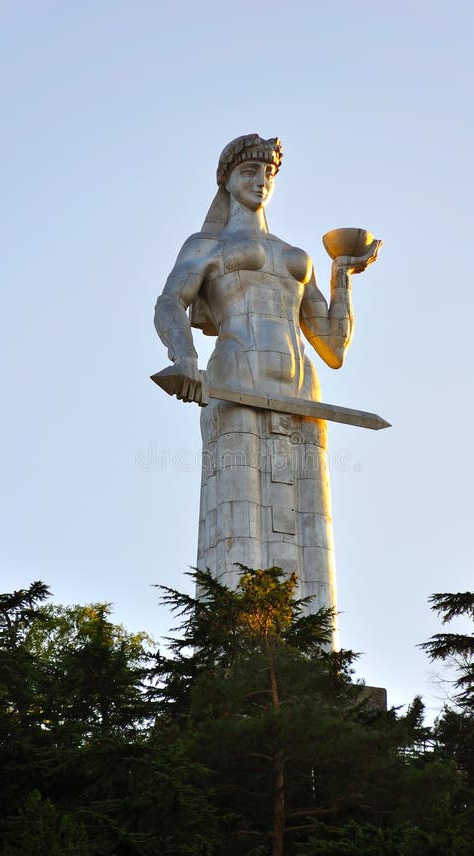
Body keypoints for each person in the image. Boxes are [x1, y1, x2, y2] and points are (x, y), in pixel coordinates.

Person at [154, 134, 376, 633]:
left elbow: (333, 346)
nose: (260, 182)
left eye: (268, 174)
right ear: (227, 181)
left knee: (311, 522)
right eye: (249, 172)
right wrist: (185, 357)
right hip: (236, 378)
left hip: (301, 390)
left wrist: (342, 274)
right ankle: (238, 650)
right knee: (242, 521)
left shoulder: (296, 255)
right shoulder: (208, 245)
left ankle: (318, 657)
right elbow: (170, 302)